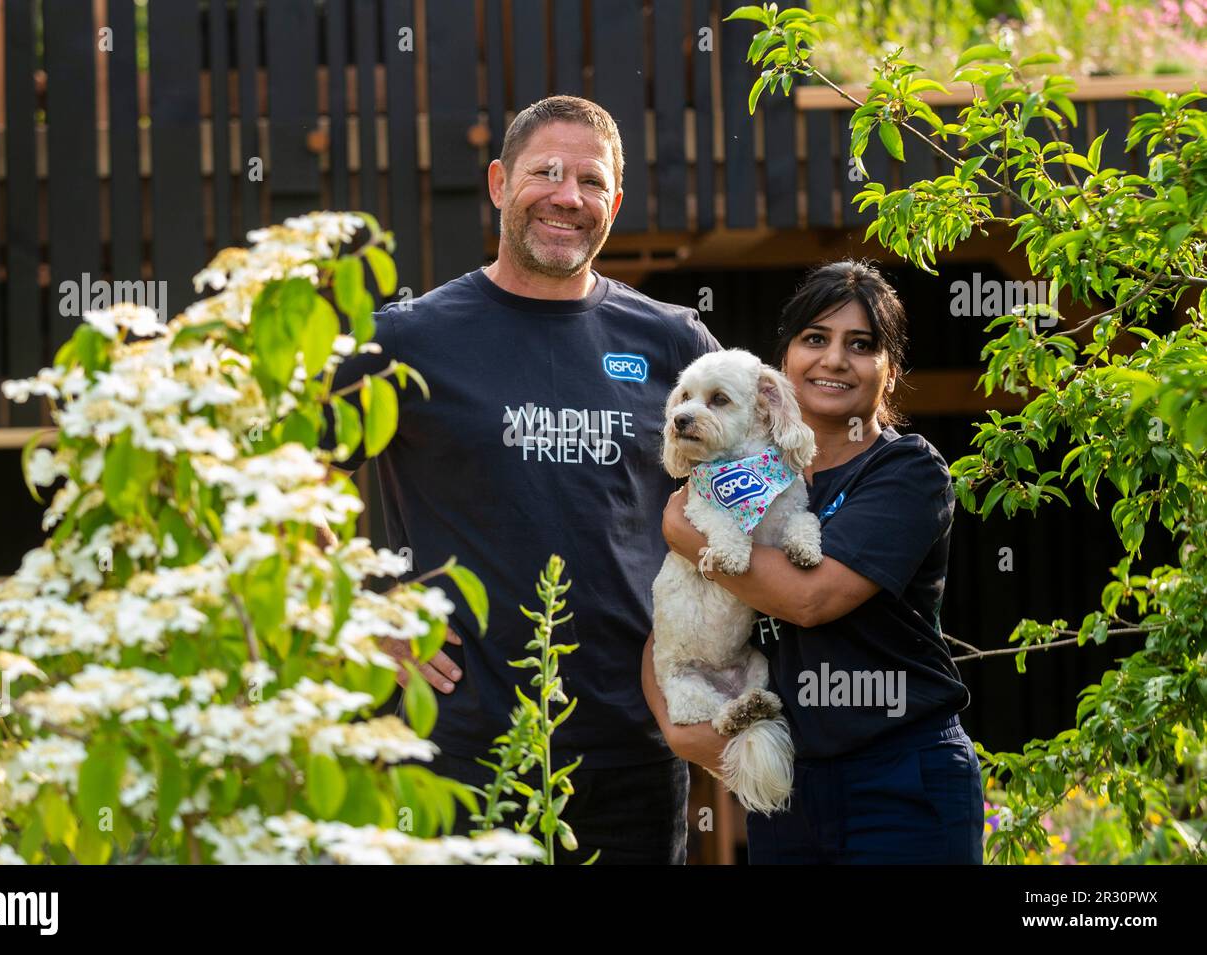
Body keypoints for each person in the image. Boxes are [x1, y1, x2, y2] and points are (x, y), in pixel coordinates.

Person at [325, 95, 722, 864]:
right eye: (545, 172)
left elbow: (751, 490)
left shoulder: (676, 343)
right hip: (457, 747)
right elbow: (288, 481)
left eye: (590, 180)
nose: (568, 196)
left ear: (615, 202)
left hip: (633, 745)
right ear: (500, 183)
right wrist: (357, 611)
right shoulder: (406, 338)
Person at [643, 260, 984, 864]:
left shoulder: (906, 472)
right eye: (815, 339)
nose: (833, 360)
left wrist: (685, 534)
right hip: (791, 788)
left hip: (899, 779)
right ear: (783, 364)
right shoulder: (738, 479)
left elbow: (809, 600)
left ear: (889, 369)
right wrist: (672, 720)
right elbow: (673, 618)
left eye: (861, 345)